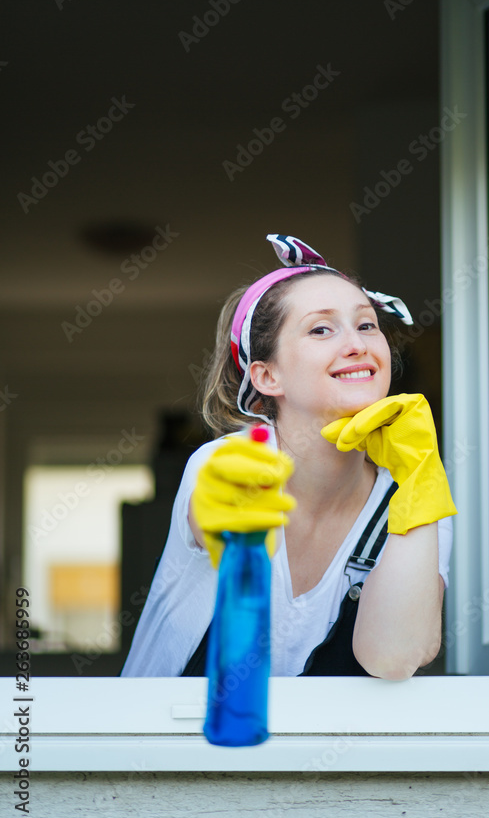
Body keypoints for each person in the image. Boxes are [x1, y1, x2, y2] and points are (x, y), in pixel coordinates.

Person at [121, 234, 457, 680]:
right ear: (267, 375)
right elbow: (233, 530)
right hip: (164, 745)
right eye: (321, 329)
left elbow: (392, 658)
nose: (357, 344)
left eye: (367, 325)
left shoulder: (416, 498)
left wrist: (418, 478)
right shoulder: (226, 464)